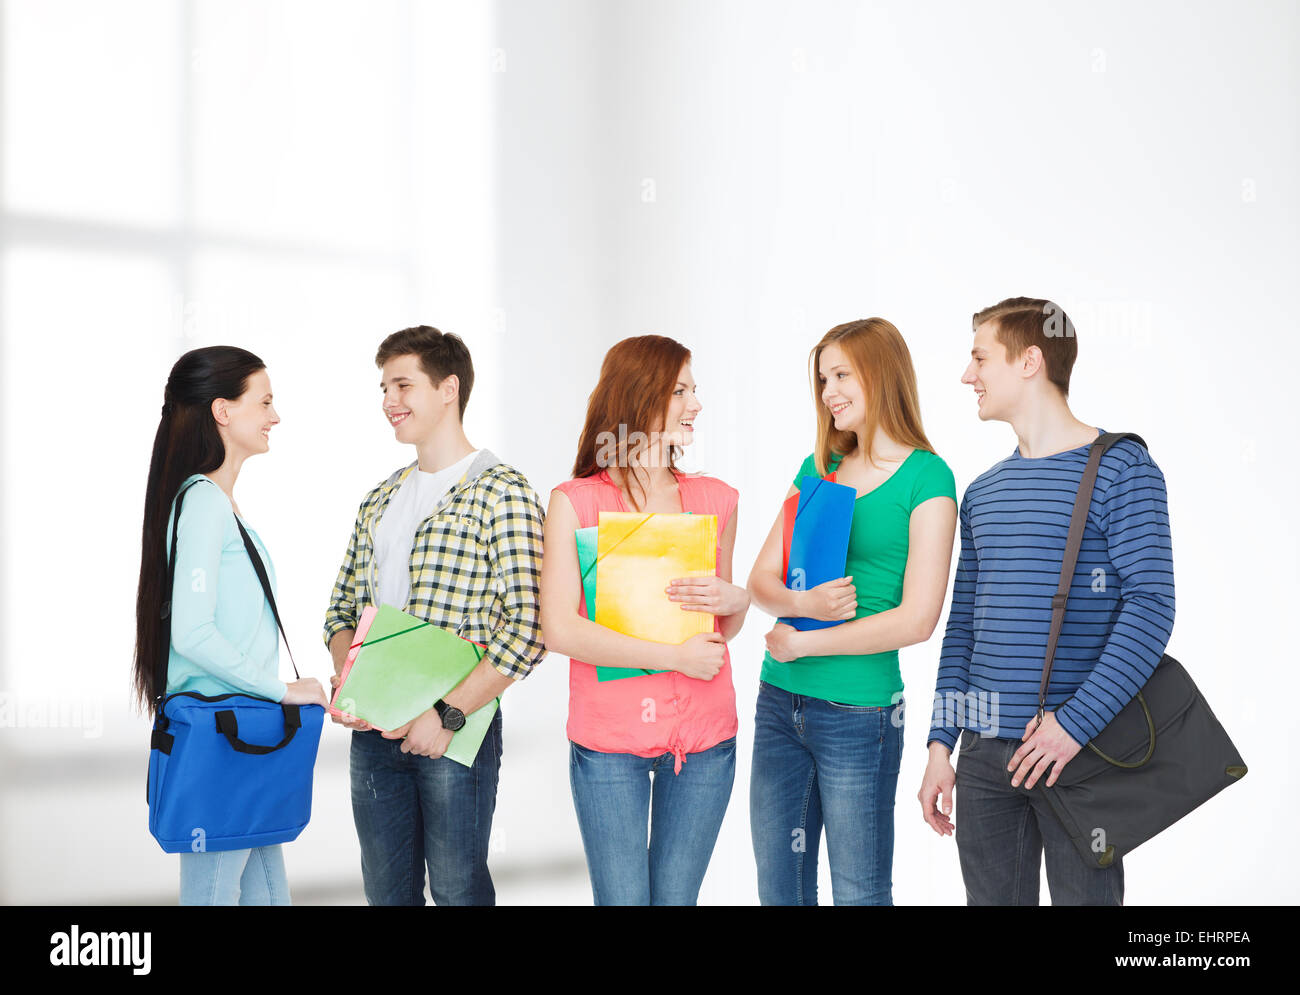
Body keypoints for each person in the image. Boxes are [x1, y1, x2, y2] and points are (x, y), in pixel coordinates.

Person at [918, 297, 1175, 906]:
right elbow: (963, 630)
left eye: (979, 357)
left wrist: (1074, 726)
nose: (966, 375)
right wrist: (940, 742)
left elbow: (1151, 606)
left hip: (1078, 755)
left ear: (1030, 360)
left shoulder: (1122, 468)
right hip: (982, 760)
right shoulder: (981, 493)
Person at [323, 324, 546, 906]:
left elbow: (529, 628)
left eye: (402, 385)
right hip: (375, 733)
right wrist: (350, 684)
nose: (388, 402)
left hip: (456, 731)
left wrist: (444, 716)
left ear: (448, 389)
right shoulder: (380, 497)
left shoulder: (503, 492)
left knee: (457, 890)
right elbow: (341, 609)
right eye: (383, 388)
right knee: (386, 894)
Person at [748, 318, 957, 906]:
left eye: (841, 375)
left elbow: (919, 619)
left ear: (881, 374)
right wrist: (801, 606)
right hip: (778, 702)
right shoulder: (819, 467)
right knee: (780, 889)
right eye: (822, 379)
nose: (828, 392)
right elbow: (761, 578)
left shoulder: (928, 479)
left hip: (859, 714)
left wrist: (806, 640)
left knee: (860, 892)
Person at [540, 335, 748, 905]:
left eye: (694, 390)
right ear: (640, 395)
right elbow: (558, 629)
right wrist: (672, 658)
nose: (695, 405)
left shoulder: (716, 500)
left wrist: (738, 602)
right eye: (681, 390)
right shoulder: (575, 502)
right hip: (610, 739)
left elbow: (720, 628)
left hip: (705, 736)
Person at [132, 345, 328, 906]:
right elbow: (191, 634)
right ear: (223, 410)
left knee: (267, 897)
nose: (275, 416)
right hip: (225, 737)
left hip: (241, 738)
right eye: (264, 401)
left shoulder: (218, 500)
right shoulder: (204, 503)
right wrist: (282, 689)